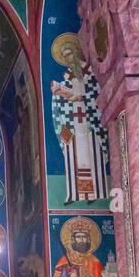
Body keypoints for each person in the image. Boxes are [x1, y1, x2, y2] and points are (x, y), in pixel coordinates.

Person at [50, 33, 109, 205]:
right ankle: (76, 194)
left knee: (93, 154)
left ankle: (96, 192)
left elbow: (97, 94)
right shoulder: (67, 77)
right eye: (66, 56)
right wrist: (60, 95)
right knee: (74, 156)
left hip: (90, 124)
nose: (69, 59)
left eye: (71, 54)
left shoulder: (91, 74)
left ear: (77, 53)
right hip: (74, 123)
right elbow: (60, 103)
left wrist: (79, 98)